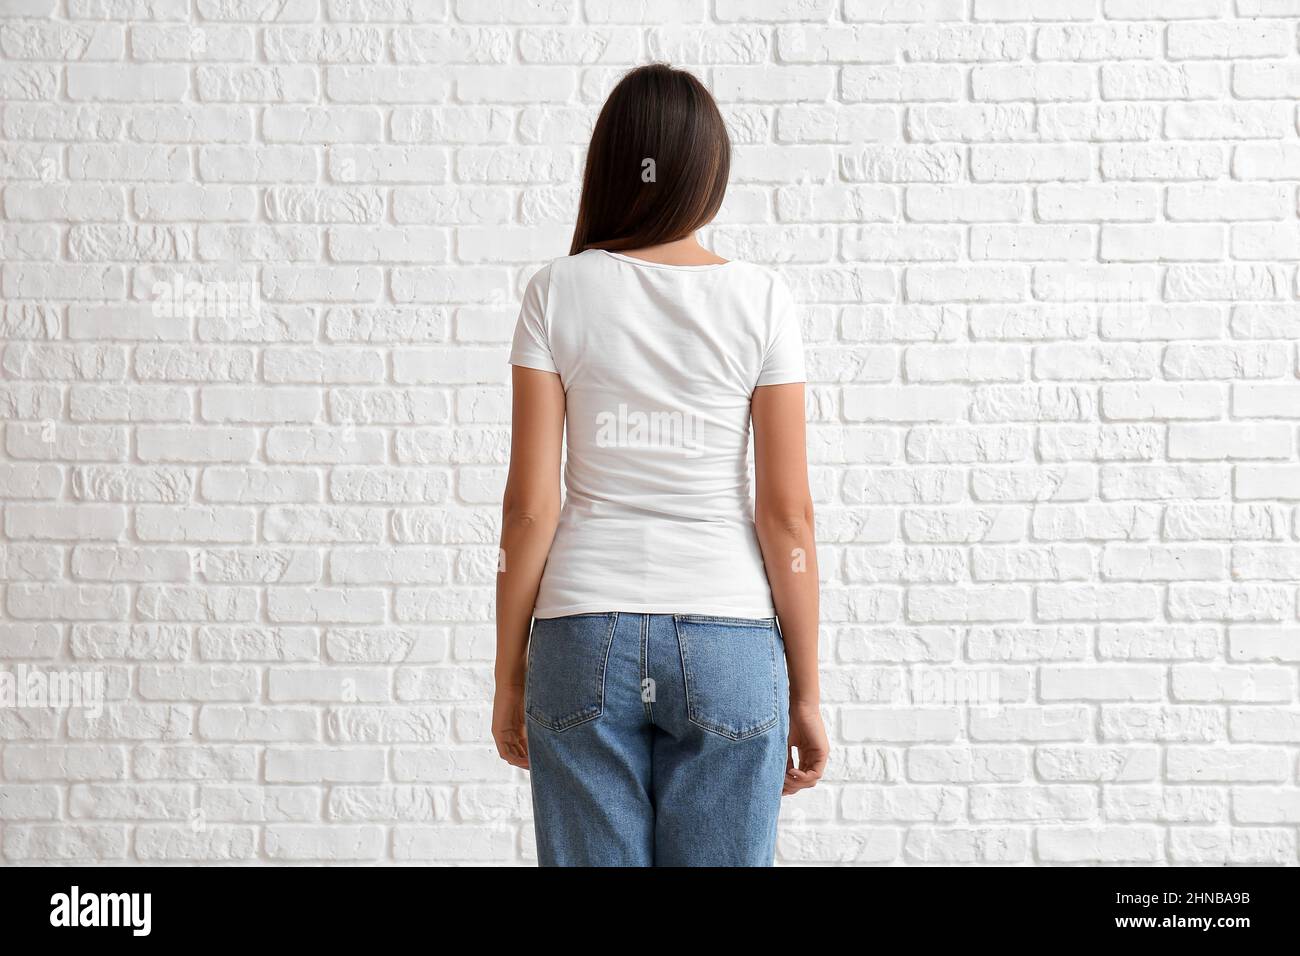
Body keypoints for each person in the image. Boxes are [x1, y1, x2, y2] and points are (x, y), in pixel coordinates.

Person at [492, 63, 828, 867]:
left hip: (581, 636)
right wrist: (807, 692)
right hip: (731, 641)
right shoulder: (763, 299)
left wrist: (510, 676)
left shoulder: (555, 292)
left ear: (610, 167)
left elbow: (530, 509)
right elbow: (787, 516)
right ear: (709, 172)